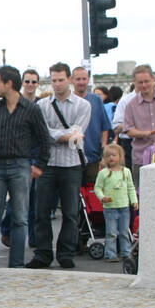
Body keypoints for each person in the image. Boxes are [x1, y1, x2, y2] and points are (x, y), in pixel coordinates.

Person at [0, 66, 51, 268]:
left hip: (20, 165)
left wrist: (39, 166)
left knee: (20, 219)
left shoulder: (31, 109)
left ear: (9, 83)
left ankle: (16, 266)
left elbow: (44, 140)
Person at [27, 63, 92, 270]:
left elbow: (78, 133)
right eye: (53, 80)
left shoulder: (83, 106)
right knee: (42, 211)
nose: (57, 84)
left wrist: (57, 135)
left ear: (69, 80)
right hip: (48, 164)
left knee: (71, 212)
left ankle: (66, 253)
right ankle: (43, 253)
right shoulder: (42, 105)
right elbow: (42, 133)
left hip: (71, 164)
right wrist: (63, 136)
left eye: (61, 80)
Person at [93, 143, 136, 261]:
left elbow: (131, 187)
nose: (111, 158)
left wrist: (134, 201)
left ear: (120, 157)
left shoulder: (126, 172)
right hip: (110, 207)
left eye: (113, 155)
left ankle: (126, 253)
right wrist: (102, 197)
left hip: (124, 207)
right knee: (111, 233)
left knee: (124, 232)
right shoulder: (103, 173)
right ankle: (110, 254)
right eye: (108, 156)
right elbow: (97, 187)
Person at [72, 66, 110, 184]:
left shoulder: (96, 100)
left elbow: (104, 126)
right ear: (72, 80)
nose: (81, 82)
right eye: (78, 79)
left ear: (88, 80)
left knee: (93, 193)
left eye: (84, 79)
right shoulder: (68, 100)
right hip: (72, 157)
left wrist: (103, 147)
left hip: (93, 156)